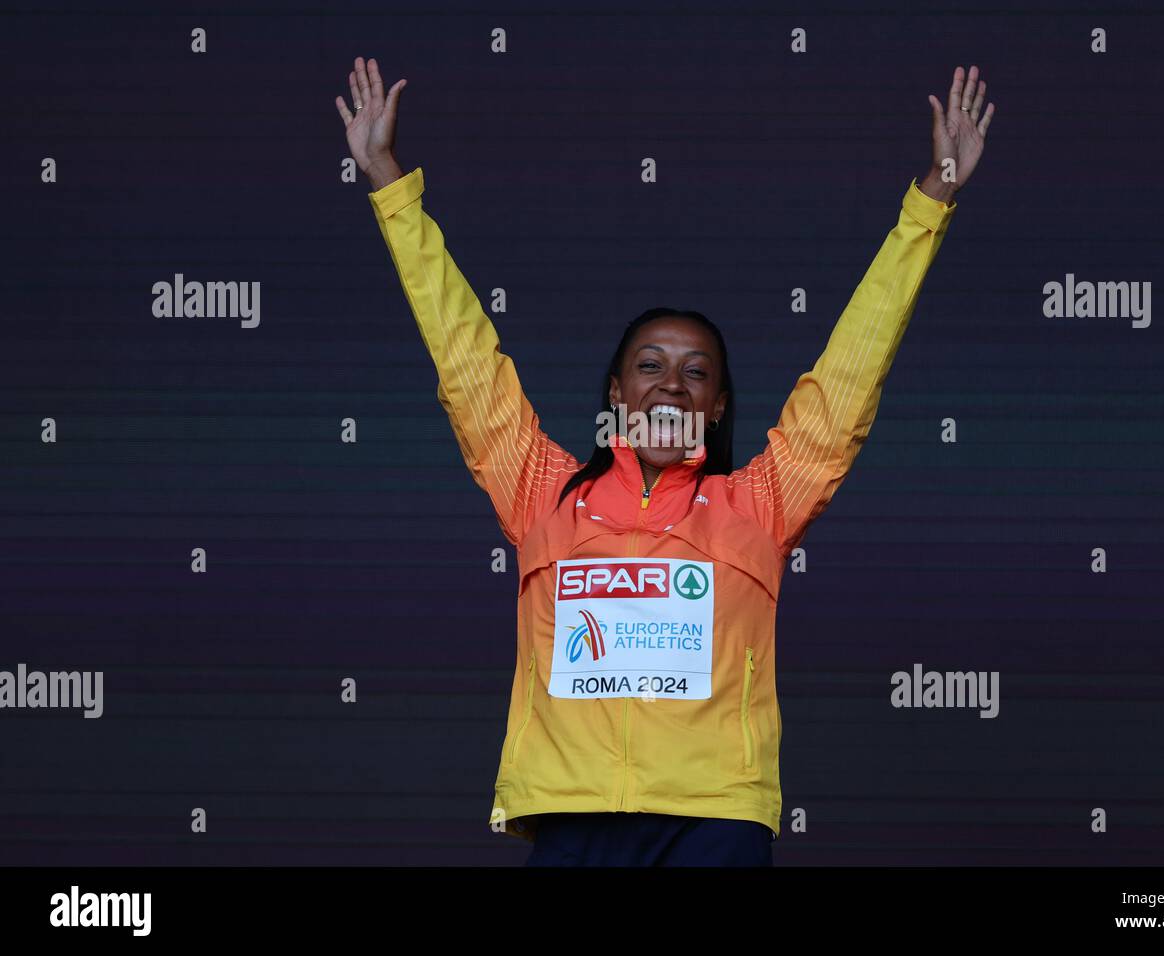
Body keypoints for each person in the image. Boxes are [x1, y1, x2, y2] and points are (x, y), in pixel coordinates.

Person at [335, 56, 993, 866]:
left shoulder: (759, 504)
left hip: (714, 822)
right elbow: (465, 358)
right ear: (617, 388)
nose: (670, 386)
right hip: (573, 816)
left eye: (695, 372)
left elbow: (848, 378)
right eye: (650, 366)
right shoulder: (541, 492)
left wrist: (933, 199)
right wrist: (390, 186)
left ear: (717, 406)